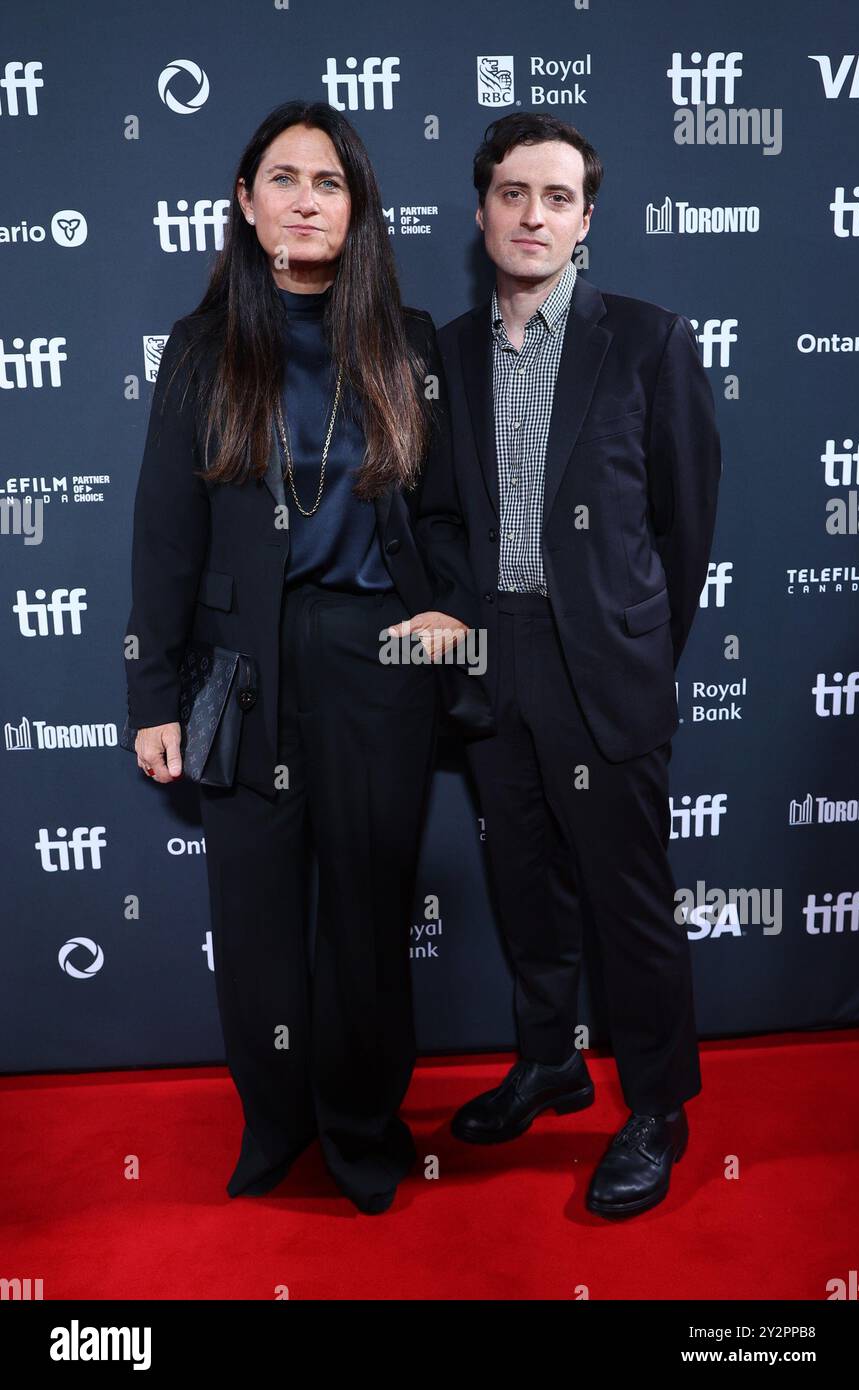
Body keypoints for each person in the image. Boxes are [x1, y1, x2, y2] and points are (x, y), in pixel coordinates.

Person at [123, 100, 493, 1216]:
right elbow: (161, 535)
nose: (303, 199)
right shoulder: (199, 349)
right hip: (240, 666)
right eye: (281, 178)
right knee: (255, 914)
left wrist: (450, 612)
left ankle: (362, 1131)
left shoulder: (407, 342)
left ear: (355, 207)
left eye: (327, 182)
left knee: (369, 914)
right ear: (244, 203)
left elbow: (442, 516)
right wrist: (152, 696)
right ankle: (275, 1124)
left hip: (374, 656)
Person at [436, 112, 722, 1218]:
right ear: (480, 210)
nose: (531, 215)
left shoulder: (646, 339)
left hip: (601, 666)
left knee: (627, 900)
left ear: (585, 220)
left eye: (556, 198)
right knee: (526, 886)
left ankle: (656, 1107)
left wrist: (631, 644)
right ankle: (549, 1060)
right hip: (492, 663)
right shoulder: (448, 353)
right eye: (511, 194)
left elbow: (682, 528)